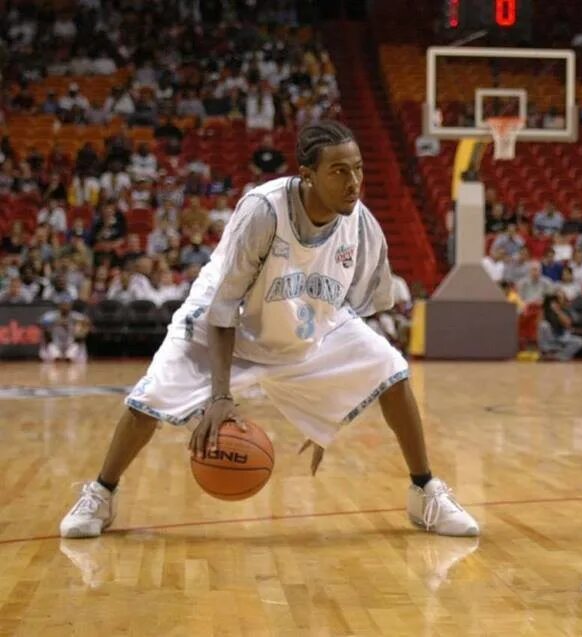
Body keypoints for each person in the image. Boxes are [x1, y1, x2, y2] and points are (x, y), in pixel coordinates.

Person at [60, 122, 479, 539]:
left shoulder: (362, 225)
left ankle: (424, 490)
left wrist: (328, 404)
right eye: (338, 171)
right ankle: (101, 492)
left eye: (358, 169)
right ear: (307, 174)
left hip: (301, 323)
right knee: (147, 402)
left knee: (392, 369)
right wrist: (220, 397)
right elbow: (224, 309)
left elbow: (354, 313)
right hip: (223, 326)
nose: (353, 182)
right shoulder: (264, 212)